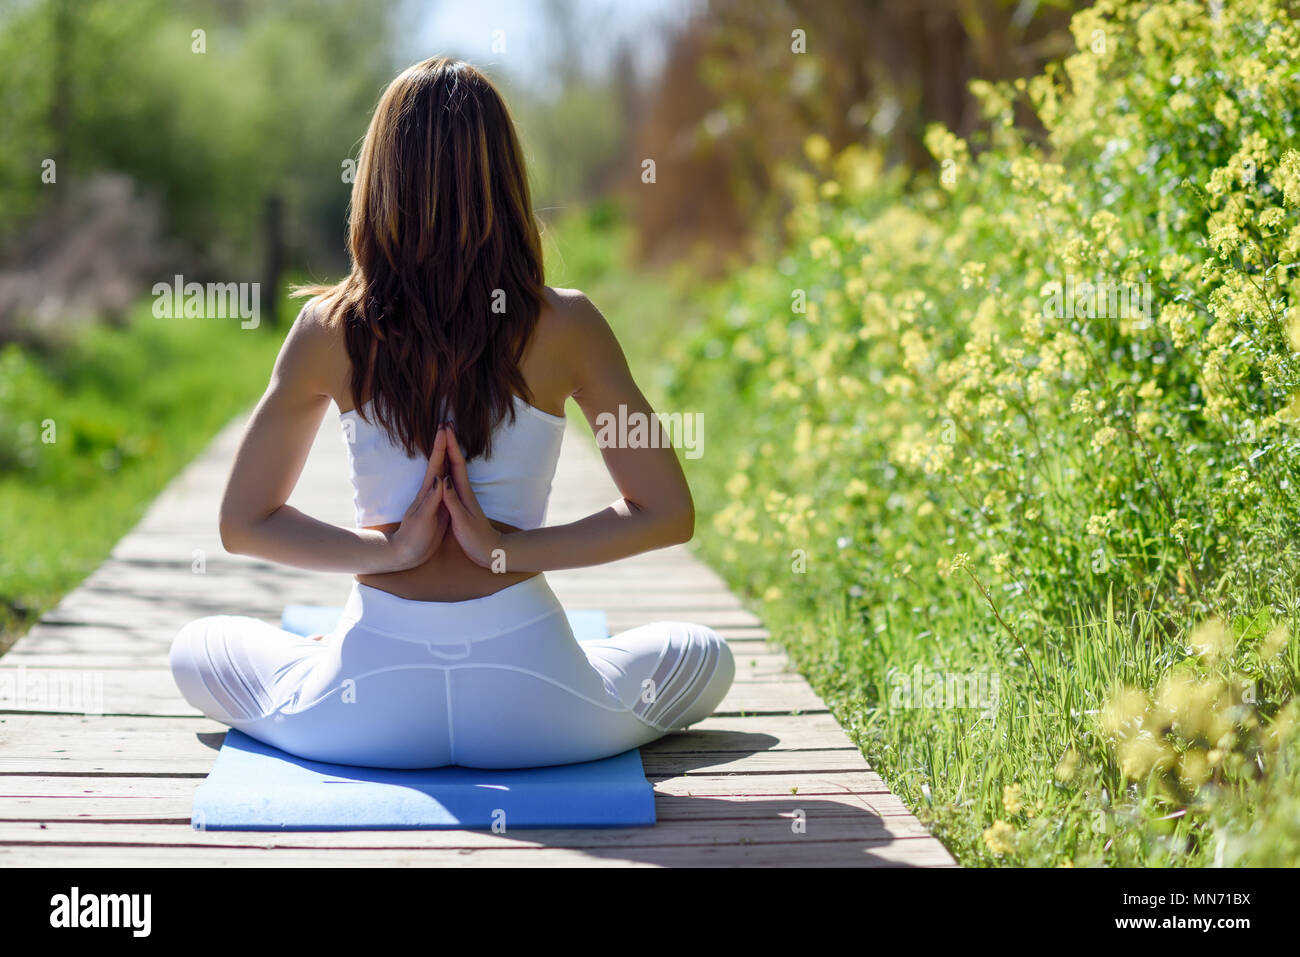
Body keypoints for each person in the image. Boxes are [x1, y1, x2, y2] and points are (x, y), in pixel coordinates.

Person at [168, 56, 734, 769]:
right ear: (507, 182)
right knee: (704, 653)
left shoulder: (327, 327)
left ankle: (330, 659)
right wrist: (508, 551)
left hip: (364, 708)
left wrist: (388, 553)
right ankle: (568, 662)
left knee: (197, 649)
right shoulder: (570, 326)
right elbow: (667, 512)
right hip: (537, 709)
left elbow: (241, 523)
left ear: (377, 181)